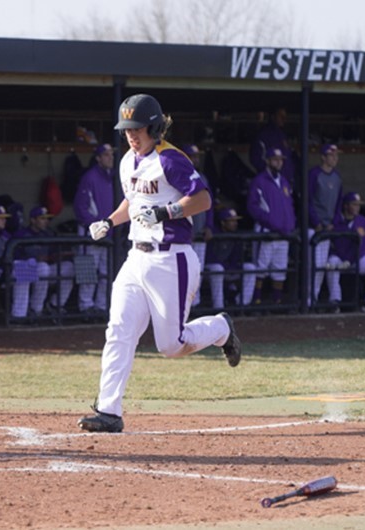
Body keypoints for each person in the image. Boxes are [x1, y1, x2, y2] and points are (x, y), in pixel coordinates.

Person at [77, 94, 241, 434]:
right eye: (126, 130)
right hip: (135, 257)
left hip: (172, 258)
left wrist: (168, 211)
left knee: (171, 345)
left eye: (137, 129)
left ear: (153, 127)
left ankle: (220, 329)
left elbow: (203, 198)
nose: (131, 136)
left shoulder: (170, 159)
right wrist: (109, 221)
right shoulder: (127, 160)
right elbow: (133, 200)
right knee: (119, 330)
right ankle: (109, 410)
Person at [247, 148, 296, 306]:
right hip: (266, 232)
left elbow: (289, 205)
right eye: (275, 159)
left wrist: (290, 223)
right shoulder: (259, 181)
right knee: (261, 267)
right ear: (267, 161)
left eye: (281, 159)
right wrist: (271, 221)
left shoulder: (284, 181)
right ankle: (257, 300)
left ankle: (277, 301)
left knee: (280, 268)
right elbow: (252, 207)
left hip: (284, 233)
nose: (279, 162)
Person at [326, 192, 365, 319]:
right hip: (340, 259)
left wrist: (363, 254)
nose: (357, 207)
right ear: (346, 206)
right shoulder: (336, 221)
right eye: (354, 204)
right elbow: (331, 244)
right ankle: (335, 301)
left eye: (359, 205)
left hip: (358, 259)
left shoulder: (363, 221)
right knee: (332, 262)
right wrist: (343, 257)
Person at [73, 143, 116, 314]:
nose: (110, 157)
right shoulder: (89, 177)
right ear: (98, 158)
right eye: (106, 155)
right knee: (88, 274)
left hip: (108, 233)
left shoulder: (112, 177)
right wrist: (96, 226)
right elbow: (80, 208)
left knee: (107, 273)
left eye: (111, 154)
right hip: (90, 234)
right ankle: (86, 306)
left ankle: (101, 305)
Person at [10, 206, 74, 319]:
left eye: (47, 219)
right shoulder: (21, 234)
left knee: (69, 267)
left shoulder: (49, 233)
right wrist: (35, 259)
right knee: (43, 268)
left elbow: (54, 253)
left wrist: (58, 256)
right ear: (33, 220)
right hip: (25, 269)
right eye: (42, 218)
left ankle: (56, 304)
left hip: (46, 269)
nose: (46, 221)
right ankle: (35, 308)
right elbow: (15, 257)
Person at [306, 144, 343, 307]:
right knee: (313, 265)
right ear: (323, 156)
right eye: (331, 155)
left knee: (323, 265)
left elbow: (339, 203)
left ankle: (315, 298)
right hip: (313, 229)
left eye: (336, 155)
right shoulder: (314, 174)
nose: (335, 158)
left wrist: (333, 224)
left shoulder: (337, 177)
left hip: (327, 229)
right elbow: (307, 201)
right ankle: (309, 299)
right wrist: (317, 222)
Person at [205, 208, 256, 309]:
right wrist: (227, 267)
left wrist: (231, 267)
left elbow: (237, 256)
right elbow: (209, 257)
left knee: (250, 267)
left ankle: (242, 303)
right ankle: (218, 307)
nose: (235, 223)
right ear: (223, 222)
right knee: (217, 269)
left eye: (236, 220)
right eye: (231, 221)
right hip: (210, 269)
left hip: (229, 268)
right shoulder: (212, 234)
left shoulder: (236, 234)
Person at [182, 144, 213, 306]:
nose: (195, 159)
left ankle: (196, 303)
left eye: (196, 156)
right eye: (192, 156)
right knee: (183, 272)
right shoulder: (179, 176)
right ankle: (184, 304)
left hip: (200, 234)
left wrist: (209, 226)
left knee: (197, 271)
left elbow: (209, 205)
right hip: (184, 236)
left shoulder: (202, 177)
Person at [249, 107, 294, 190]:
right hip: (269, 182)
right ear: (273, 117)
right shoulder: (263, 134)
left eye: (285, 116)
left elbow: (288, 159)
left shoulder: (282, 134)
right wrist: (270, 174)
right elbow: (255, 159)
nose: (284, 119)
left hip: (285, 181)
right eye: (281, 116)